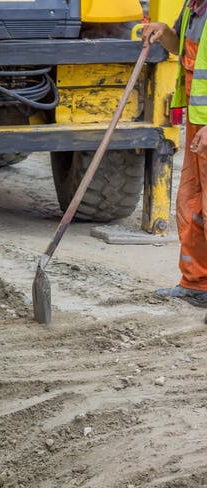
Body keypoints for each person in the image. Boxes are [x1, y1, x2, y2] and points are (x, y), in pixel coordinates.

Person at [144, 2, 207, 306]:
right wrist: (165, 32)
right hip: (198, 122)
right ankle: (197, 283)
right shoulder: (194, 7)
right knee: (191, 202)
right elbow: (181, 50)